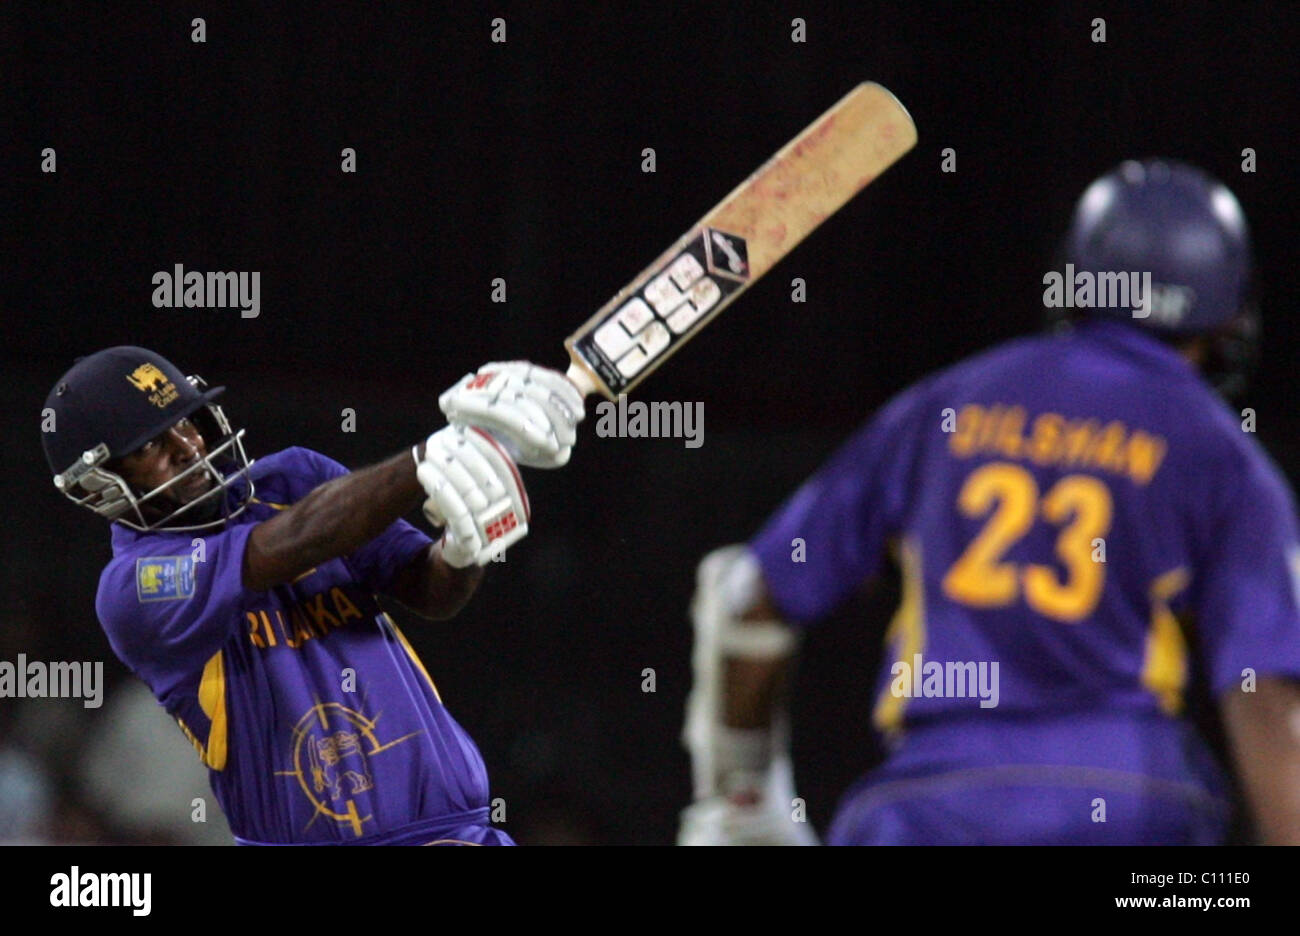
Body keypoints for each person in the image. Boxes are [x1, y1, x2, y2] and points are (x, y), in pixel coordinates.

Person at [679, 158, 1300, 845]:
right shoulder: (1226, 458)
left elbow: (750, 596)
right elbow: (1266, 695)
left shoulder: (946, 404)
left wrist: (743, 802)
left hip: (931, 805)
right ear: (1230, 312)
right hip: (1129, 800)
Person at [41, 349, 583, 845]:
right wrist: (433, 454)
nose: (189, 446)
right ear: (98, 486)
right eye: (153, 444)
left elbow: (429, 590)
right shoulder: (133, 587)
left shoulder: (293, 480)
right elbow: (291, 542)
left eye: (186, 422)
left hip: (457, 833)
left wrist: (465, 549)